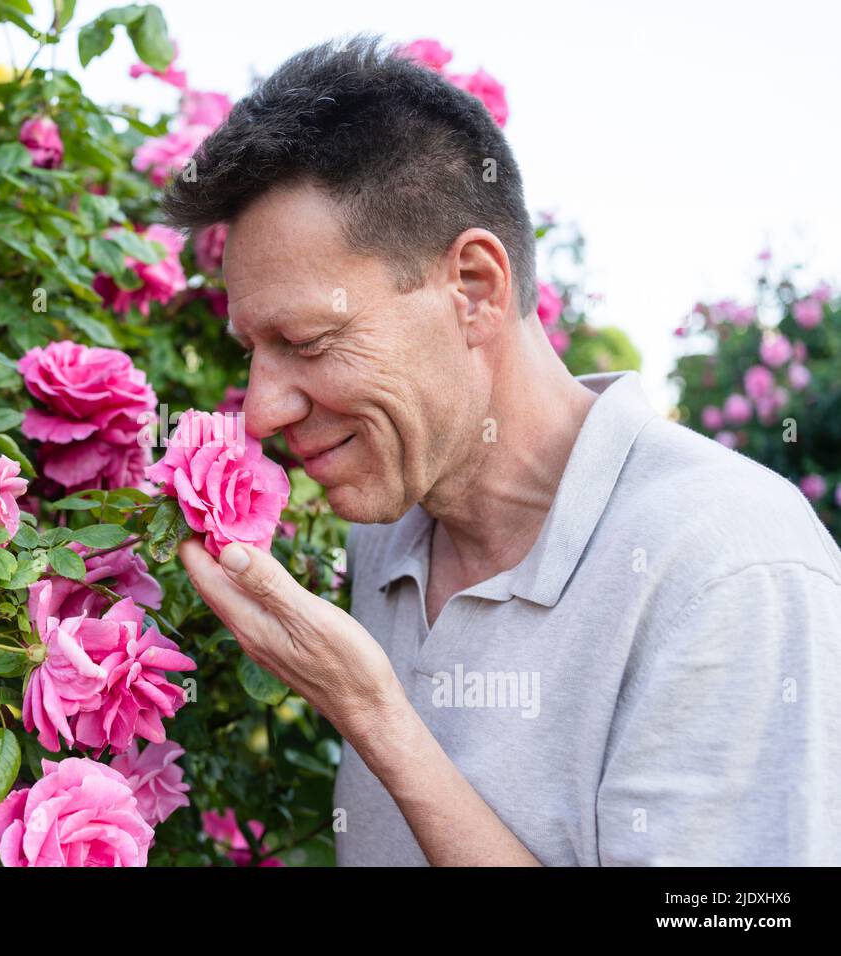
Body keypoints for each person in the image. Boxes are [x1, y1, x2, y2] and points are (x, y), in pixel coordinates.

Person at [161, 37, 841, 866]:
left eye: (306, 340)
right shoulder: (389, 531)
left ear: (475, 288)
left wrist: (375, 715)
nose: (260, 411)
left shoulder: (729, 568)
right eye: (251, 351)